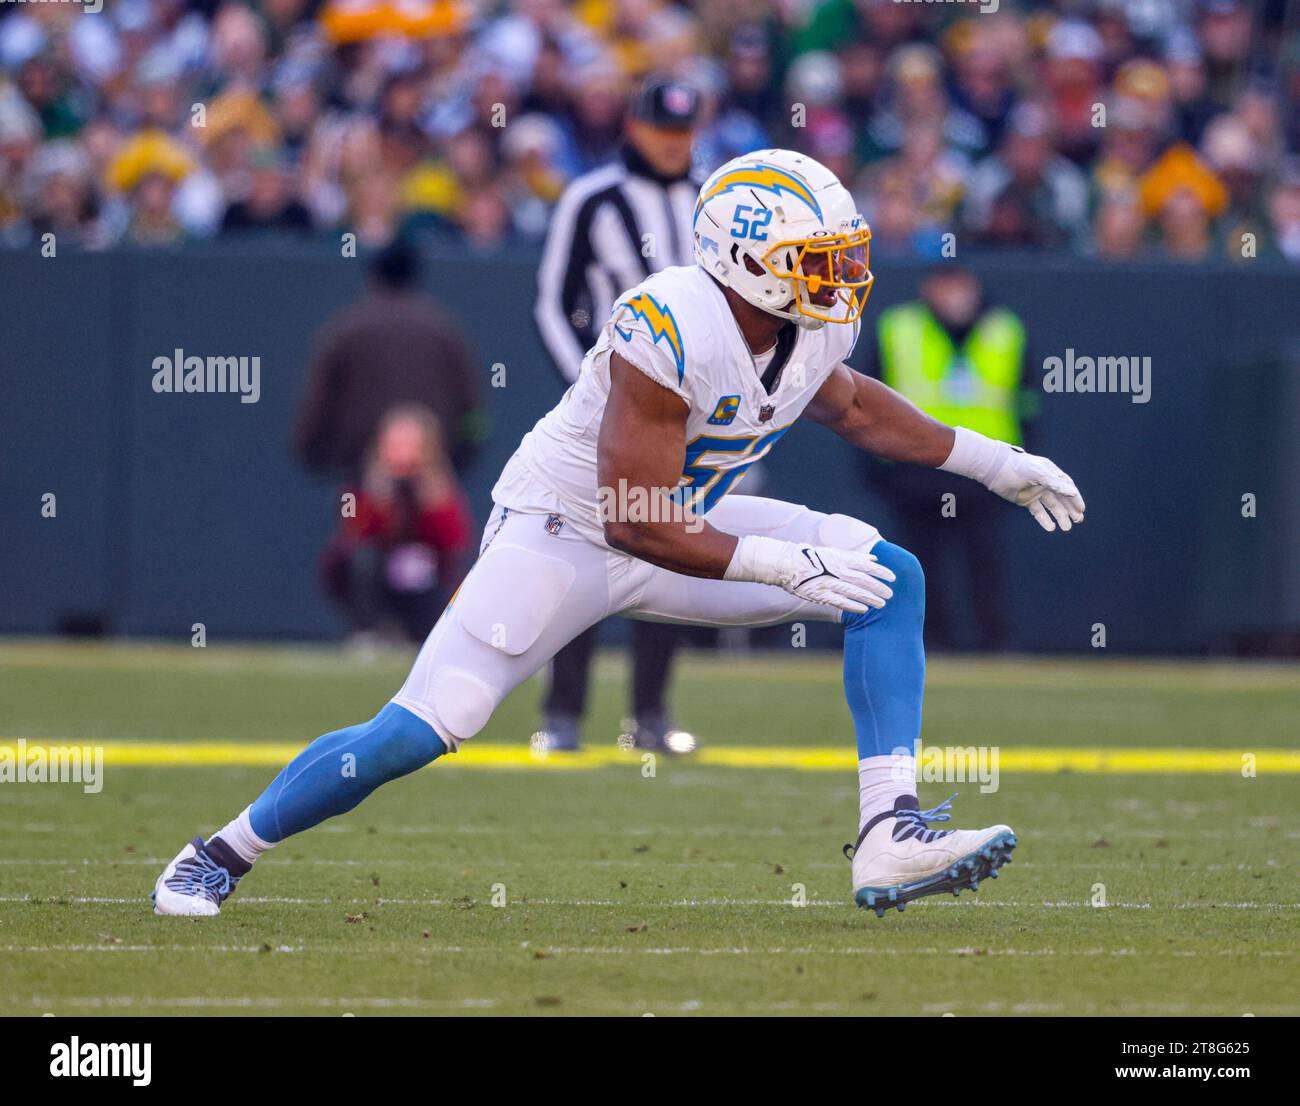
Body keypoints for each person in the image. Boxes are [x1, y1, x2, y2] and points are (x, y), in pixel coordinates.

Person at [152, 149, 1085, 921]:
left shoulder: (807, 328)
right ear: (749, 260)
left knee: (889, 576)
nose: (841, 274)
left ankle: (889, 834)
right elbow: (635, 518)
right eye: (818, 256)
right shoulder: (669, 321)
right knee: (417, 730)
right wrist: (776, 563)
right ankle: (218, 852)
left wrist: (989, 460)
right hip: (565, 534)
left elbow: (850, 407)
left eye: (842, 253)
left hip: (686, 518)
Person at [533, 75, 704, 753]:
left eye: (683, 133)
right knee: (582, 557)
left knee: (669, 559)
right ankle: (562, 714)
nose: (673, 146)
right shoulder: (592, 199)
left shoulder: (712, 202)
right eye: (663, 131)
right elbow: (553, 302)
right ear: (634, 128)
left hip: (689, 417)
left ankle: (650, 716)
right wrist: (592, 386)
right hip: (606, 409)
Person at [868, 266, 1037, 650]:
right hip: (918, 469)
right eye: (945, 284)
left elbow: (1027, 404)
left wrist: (1024, 464)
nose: (953, 294)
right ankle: (931, 642)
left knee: (986, 561)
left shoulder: (1005, 329)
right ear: (927, 287)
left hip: (987, 472)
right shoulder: (898, 326)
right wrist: (882, 470)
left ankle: (994, 644)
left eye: (960, 283)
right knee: (919, 564)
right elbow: (866, 402)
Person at [295, 237, 483, 480]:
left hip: (361, 472)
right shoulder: (445, 331)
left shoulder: (345, 330)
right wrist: (460, 457)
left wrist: (313, 451)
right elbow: (472, 411)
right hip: (431, 475)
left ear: (373, 276)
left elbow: (319, 404)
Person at [320, 405, 473, 644]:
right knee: (364, 559)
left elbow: (453, 545)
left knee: (420, 567)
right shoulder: (363, 486)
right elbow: (350, 539)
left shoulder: (440, 489)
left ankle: (422, 632)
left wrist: (428, 499)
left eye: (411, 446)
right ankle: (367, 631)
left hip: (421, 587)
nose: (403, 454)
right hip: (377, 578)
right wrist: (381, 500)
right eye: (395, 445)